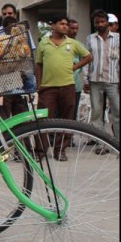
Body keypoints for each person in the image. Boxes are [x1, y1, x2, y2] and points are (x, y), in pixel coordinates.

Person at [35, 15, 92, 161]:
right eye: (62, 24)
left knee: (66, 120)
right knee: (43, 121)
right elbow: (39, 65)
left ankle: (60, 151)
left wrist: (74, 67)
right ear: (52, 26)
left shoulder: (72, 43)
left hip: (67, 87)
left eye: (67, 24)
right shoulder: (43, 43)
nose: (65, 26)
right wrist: (39, 84)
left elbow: (88, 56)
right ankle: (40, 151)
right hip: (48, 88)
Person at [84, 9, 120, 144]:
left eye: (102, 21)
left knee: (117, 112)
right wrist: (85, 80)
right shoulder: (90, 38)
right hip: (95, 80)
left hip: (113, 80)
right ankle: (99, 144)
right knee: (97, 113)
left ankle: (117, 142)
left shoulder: (117, 38)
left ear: (107, 22)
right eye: (97, 22)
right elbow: (87, 58)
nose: (100, 24)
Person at [0, 4, 31, 119]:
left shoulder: (23, 32)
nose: (7, 16)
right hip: (2, 85)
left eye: (10, 14)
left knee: (23, 119)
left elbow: (29, 56)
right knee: (3, 120)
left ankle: (23, 136)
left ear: (15, 15)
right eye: (4, 14)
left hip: (21, 83)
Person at [67, 19, 84, 120]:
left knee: (73, 112)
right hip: (61, 84)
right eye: (72, 28)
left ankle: (70, 135)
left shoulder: (80, 45)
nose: (75, 31)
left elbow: (84, 61)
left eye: (76, 29)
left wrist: (74, 67)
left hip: (75, 85)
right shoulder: (60, 43)